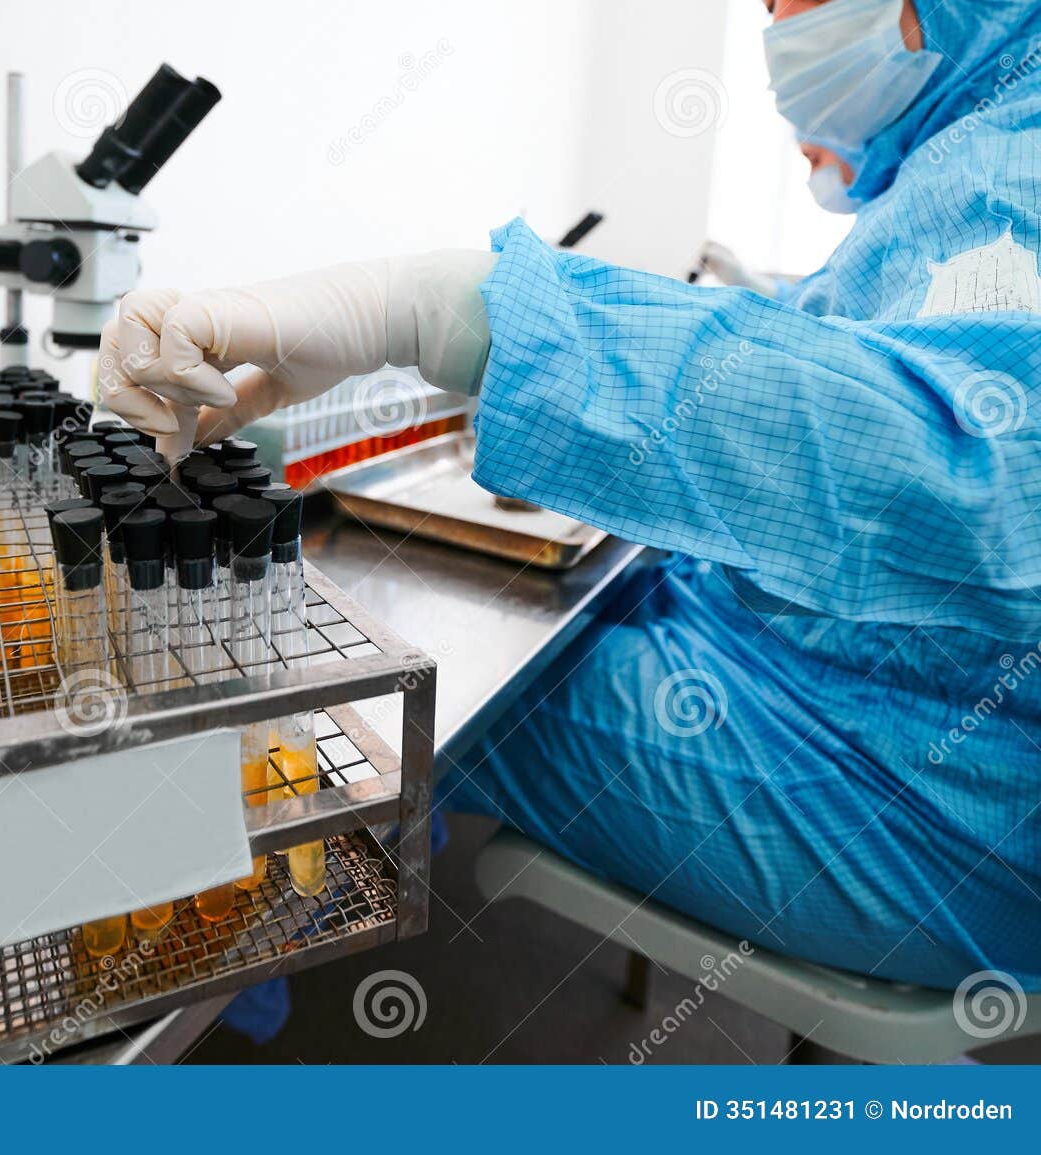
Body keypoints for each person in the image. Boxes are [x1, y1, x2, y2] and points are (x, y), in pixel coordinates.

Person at [97, 0, 1041, 990]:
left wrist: (447, 314)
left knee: (360, 710)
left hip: (921, 797)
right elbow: (826, 382)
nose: (777, 29)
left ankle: (24, 921)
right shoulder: (963, 154)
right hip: (839, 680)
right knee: (366, 681)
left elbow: (980, 481)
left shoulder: (1011, 159)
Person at [697, 141, 860, 292]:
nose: (812, 176)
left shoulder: (879, 227)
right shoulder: (865, 229)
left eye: (815, 160)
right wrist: (753, 283)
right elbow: (823, 299)